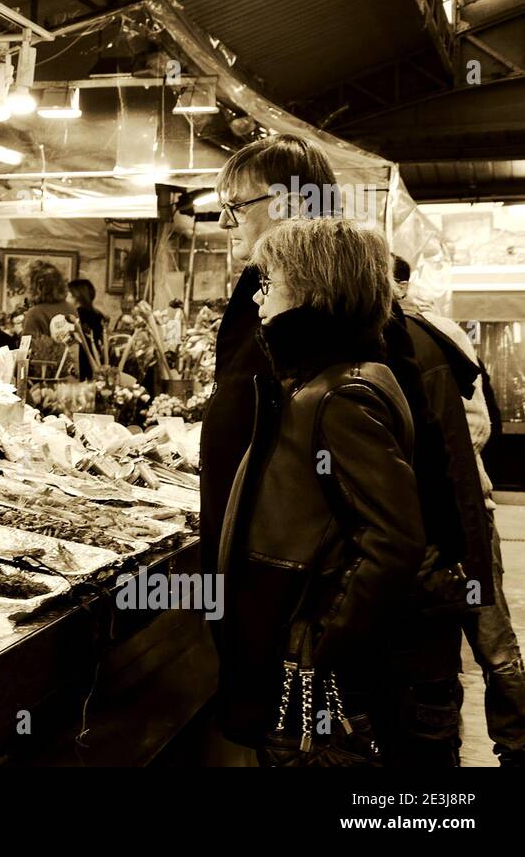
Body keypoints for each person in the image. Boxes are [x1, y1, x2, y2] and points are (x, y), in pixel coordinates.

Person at [201, 133, 474, 765]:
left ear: (293, 204)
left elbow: (403, 523)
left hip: (318, 628)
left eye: (237, 205)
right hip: (285, 611)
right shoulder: (312, 329)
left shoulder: (351, 362)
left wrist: (326, 640)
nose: (226, 221)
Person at [218, 218, 425, 764]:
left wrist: (322, 642)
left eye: (271, 283)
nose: (260, 299)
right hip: (286, 632)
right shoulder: (324, 379)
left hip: (300, 651)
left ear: (313, 289)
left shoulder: (340, 394)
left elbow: (393, 539)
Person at [395, 257, 525, 766]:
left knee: (493, 643)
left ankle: (515, 748)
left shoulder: (433, 334)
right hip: (440, 520)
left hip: (468, 513)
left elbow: (475, 425)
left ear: (398, 283)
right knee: (452, 649)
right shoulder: (389, 336)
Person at [67, 278, 105, 375]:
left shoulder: (75, 317)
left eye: (68, 294)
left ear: (76, 296)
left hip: (82, 362)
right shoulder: (98, 315)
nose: (66, 298)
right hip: (97, 361)